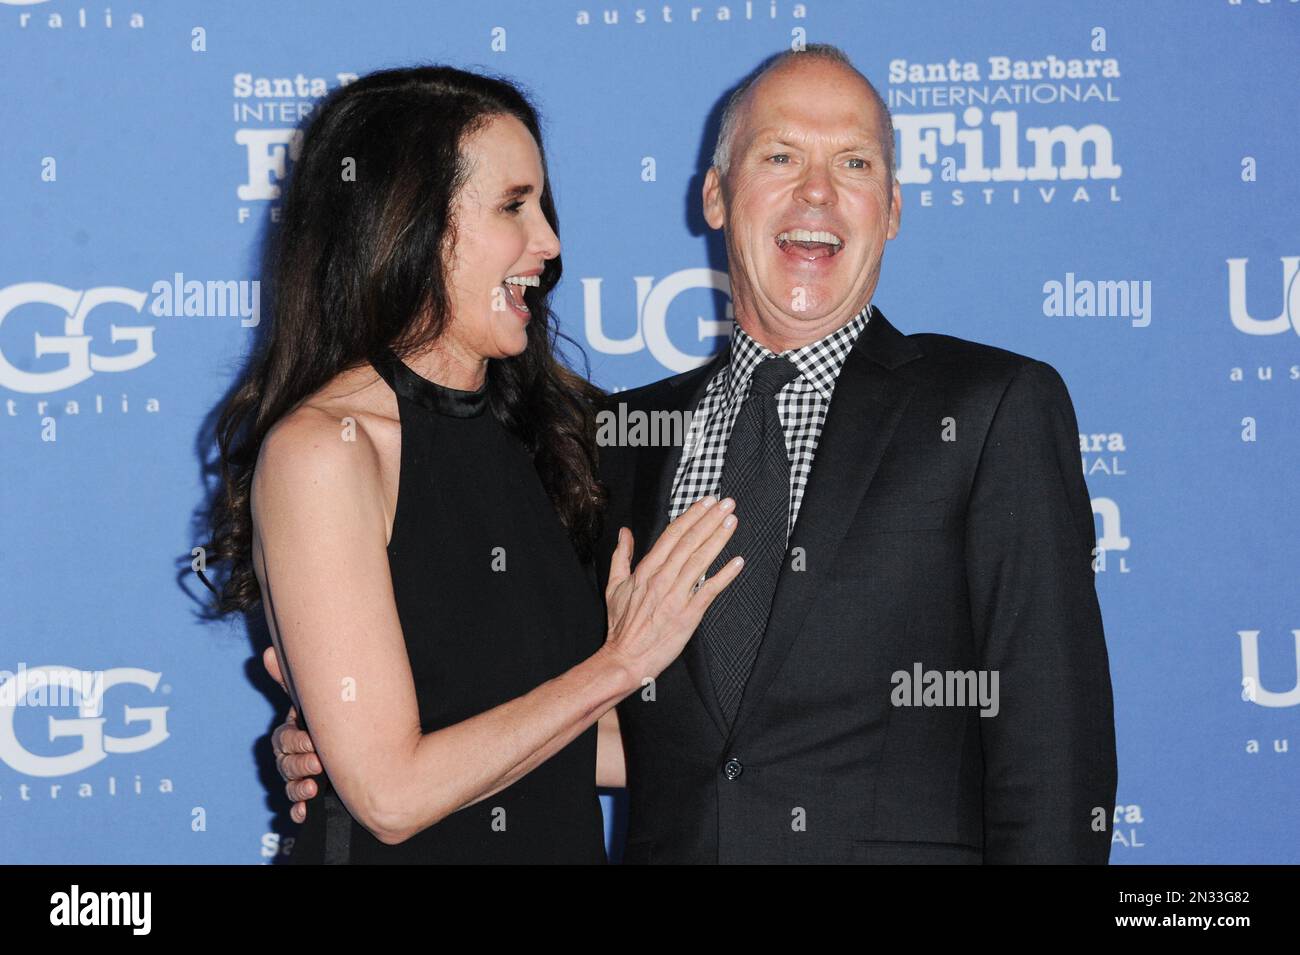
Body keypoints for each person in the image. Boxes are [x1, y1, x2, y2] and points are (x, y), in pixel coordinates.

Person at [271, 46, 1119, 864]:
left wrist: (370, 761)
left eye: (856, 164)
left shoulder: (989, 408)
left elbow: (1056, 745)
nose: (817, 192)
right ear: (716, 195)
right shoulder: (607, 440)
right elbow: (631, 726)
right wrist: (350, 748)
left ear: (894, 207)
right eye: (780, 155)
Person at [208, 65, 743, 864]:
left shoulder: (559, 432)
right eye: (512, 206)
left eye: (542, 205)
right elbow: (392, 798)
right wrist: (621, 663)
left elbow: (574, 746)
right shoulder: (324, 450)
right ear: (410, 223)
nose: (550, 242)